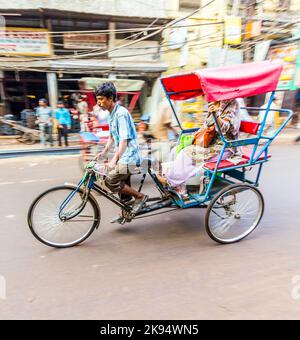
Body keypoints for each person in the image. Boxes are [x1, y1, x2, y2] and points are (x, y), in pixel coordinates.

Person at [157, 99, 242, 193]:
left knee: (186, 153)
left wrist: (216, 114)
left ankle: (171, 182)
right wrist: (194, 137)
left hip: (225, 147)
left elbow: (226, 128)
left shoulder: (233, 103)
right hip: (210, 143)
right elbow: (206, 125)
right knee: (176, 150)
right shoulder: (215, 102)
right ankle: (180, 186)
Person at [95, 82, 148, 214]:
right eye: (97, 99)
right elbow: (112, 136)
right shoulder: (111, 114)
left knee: (110, 180)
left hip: (130, 155)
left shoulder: (121, 114)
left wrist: (114, 160)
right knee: (121, 185)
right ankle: (128, 206)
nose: (98, 103)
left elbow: (124, 140)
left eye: (101, 99)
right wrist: (104, 151)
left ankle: (140, 197)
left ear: (110, 98)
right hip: (124, 155)